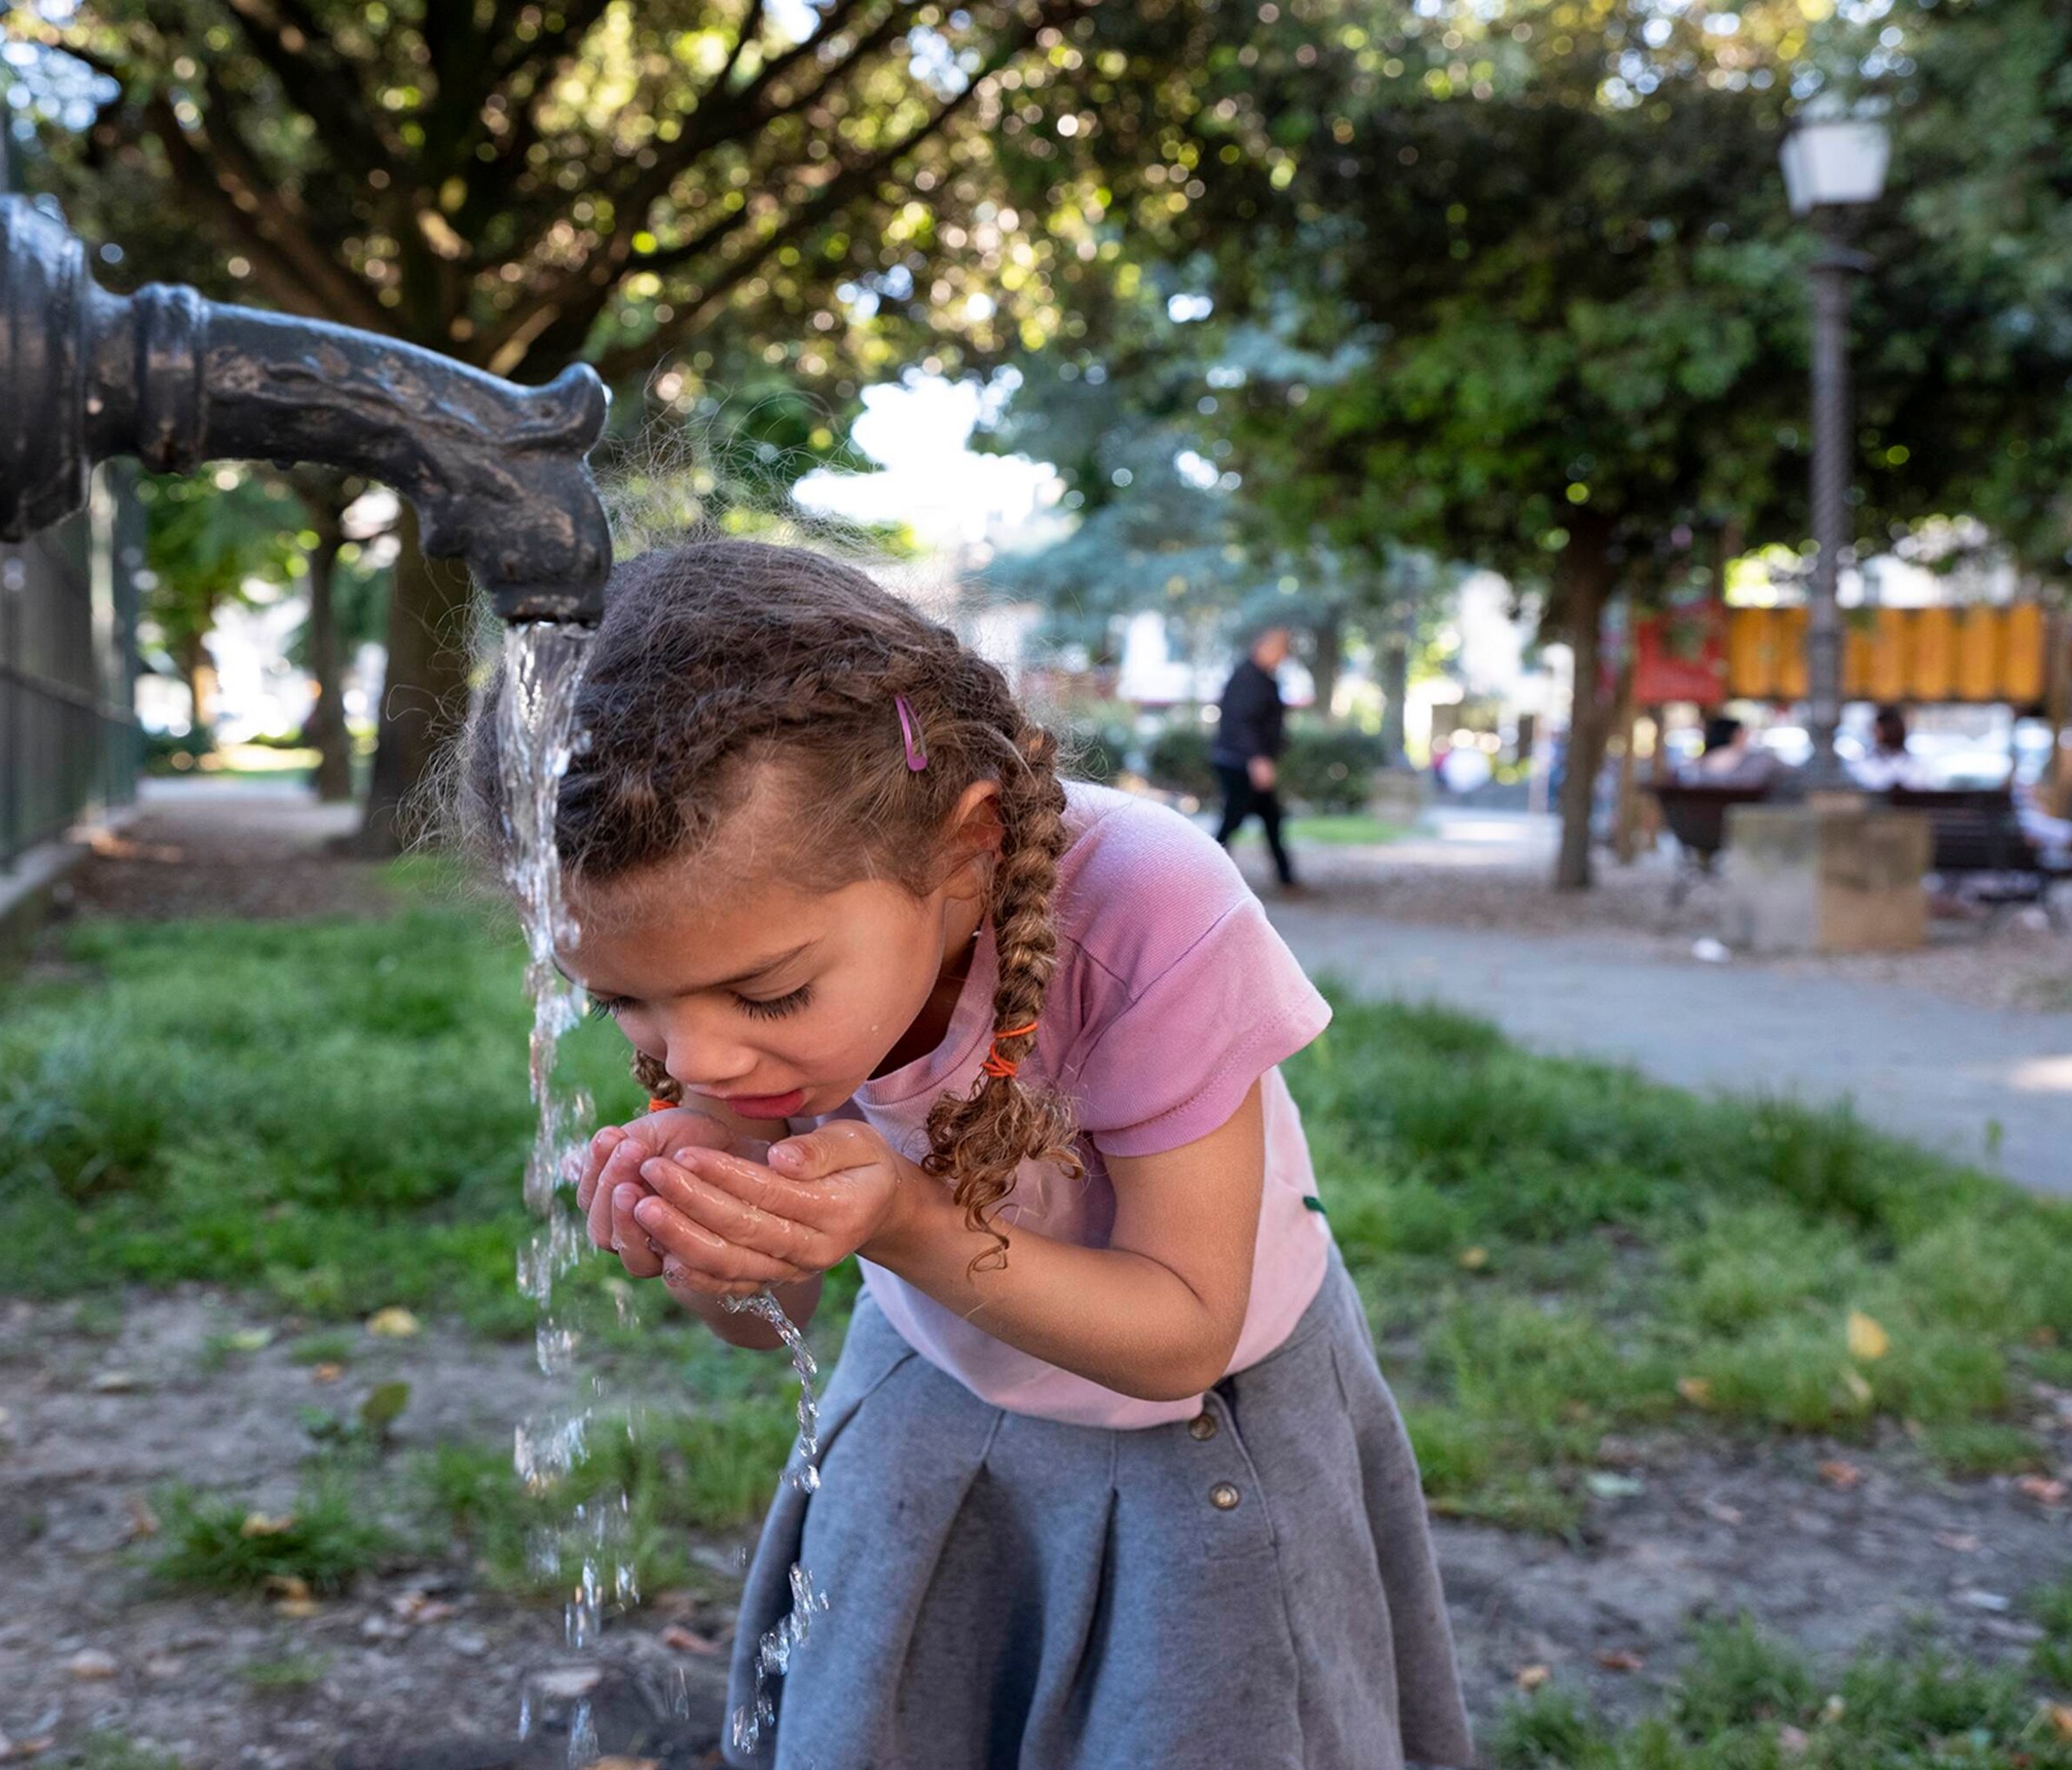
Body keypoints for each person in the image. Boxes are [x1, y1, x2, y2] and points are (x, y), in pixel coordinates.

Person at [460, 543, 1471, 1770]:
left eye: (767, 996)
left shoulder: (1149, 908)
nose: (704, 1060)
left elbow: (1185, 1332)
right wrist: (718, 1250)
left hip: (1206, 1432)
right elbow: (763, 1318)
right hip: (937, 1396)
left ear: (963, 851)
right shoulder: (732, 980)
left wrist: (902, 1222)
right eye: (625, 1004)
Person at [1210, 624, 1299, 890]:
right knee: (1233, 820)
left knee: (1270, 820)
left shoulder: (1262, 678)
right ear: (1264, 647)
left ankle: (1286, 877)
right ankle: (1208, 875)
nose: (1283, 656)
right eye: (1280, 650)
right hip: (1240, 762)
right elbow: (1243, 722)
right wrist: (1257, 759)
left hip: (1247, 760)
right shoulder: (1248, 678)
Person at [1681, 712, 1784, 788]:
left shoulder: (1697, 764)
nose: (1747, 738)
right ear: (1735, 735)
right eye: (1743, 734)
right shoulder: (1759, 761)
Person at [1850, 704, 1932, 792]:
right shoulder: (1864, 763)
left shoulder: (1915, 765)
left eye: (1878, 730)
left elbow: (1920, 784)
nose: (1874, 734)